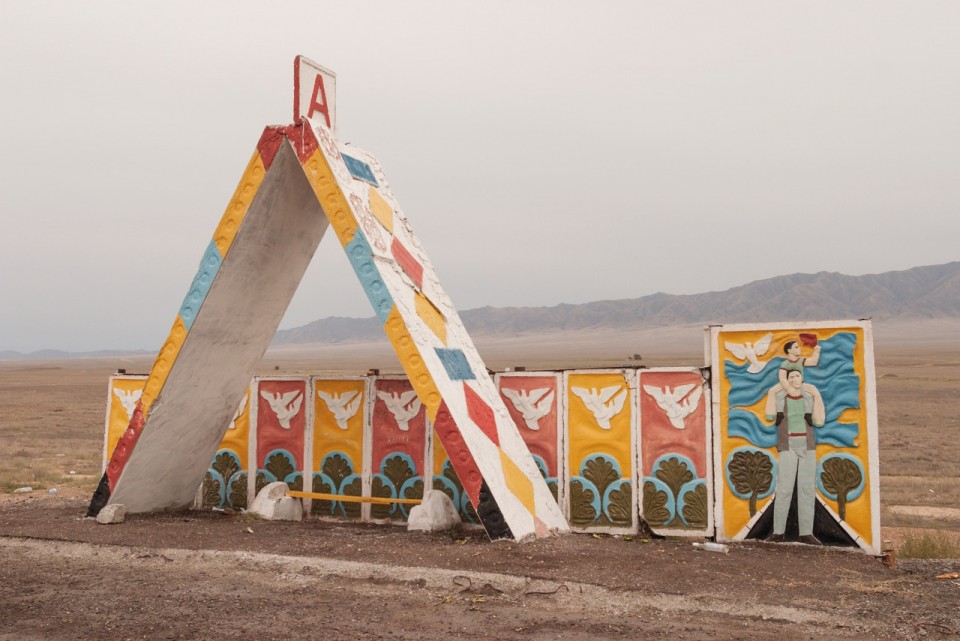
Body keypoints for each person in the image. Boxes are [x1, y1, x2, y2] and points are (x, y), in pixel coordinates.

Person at [764, 368, 825, 544]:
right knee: (784, 488)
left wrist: (818, 396)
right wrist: (770, 393)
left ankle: (806, 532)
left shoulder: (808, 397)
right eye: (791, 377)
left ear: (802, 377)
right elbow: (769, 416)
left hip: (807, 445)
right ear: (786, 380)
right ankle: (778, 532)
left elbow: (819, 420)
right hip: (788, 444)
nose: (795, 379)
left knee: (806, 488)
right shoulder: (781, 398)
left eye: (798, 376)